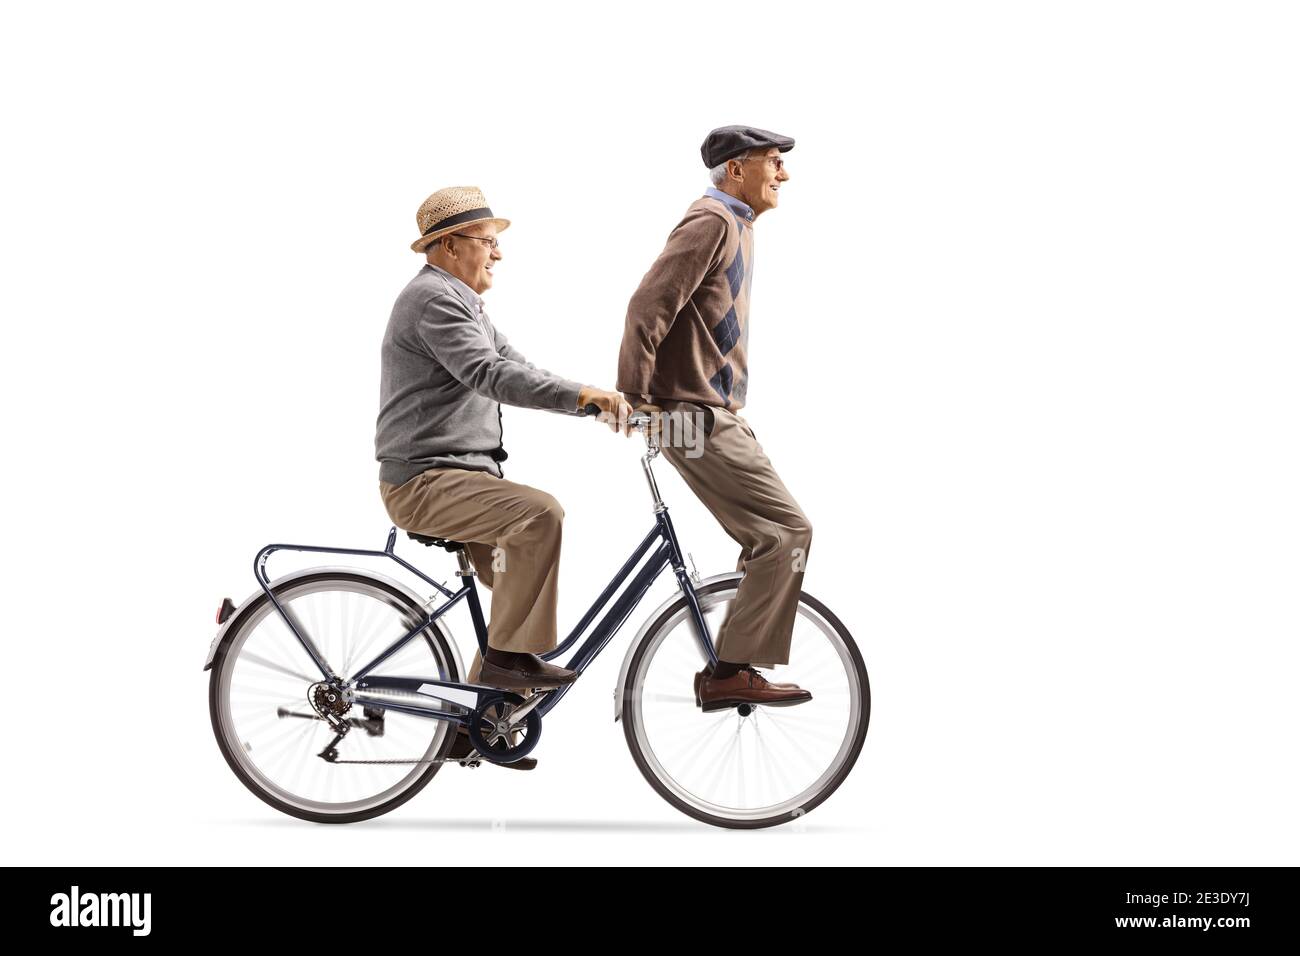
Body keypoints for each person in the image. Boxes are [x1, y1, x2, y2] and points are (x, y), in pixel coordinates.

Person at [376, 185, 630, 767]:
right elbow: (488, 375)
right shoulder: (433, 300)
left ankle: (473, 724)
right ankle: (504, 667)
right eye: (487, 241)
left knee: (520, 592)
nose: (498, 253)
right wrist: (583, 397)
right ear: (448, 245)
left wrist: (603, 401)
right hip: (425, 481)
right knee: (539, 515)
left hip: (460, 478)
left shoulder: (463, 302)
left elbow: (516, 366)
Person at [617, 127, 813, 712]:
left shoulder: (737, 224)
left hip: (707, 412)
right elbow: (647, 306)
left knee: (771, 535)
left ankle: (735, 663)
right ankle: (730, 671)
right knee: (786, 532)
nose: (783, 174)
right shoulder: (713, 221)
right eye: (773, 162)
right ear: (736, 170)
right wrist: (635, 397)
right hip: (692, 415)